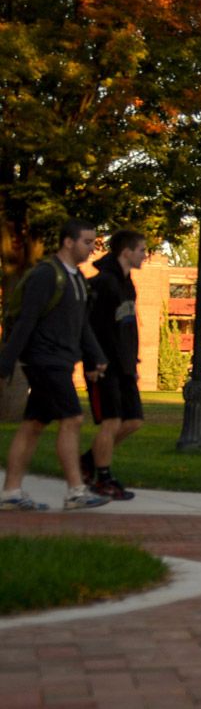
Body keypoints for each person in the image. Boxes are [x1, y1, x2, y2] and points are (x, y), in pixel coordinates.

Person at [0, 219, 111, 511]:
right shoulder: (46, 275)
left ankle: (10, 492)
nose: (91, 248)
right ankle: (76, 491)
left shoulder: (77, 279)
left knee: (33, 424)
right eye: (87, 242)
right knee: (72, 419)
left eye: (93, 242)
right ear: (68, 242)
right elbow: (26, 320)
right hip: (44, 359)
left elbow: (83, 326)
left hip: (61, 359)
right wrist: (6, 362)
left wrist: (96, 356)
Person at [79, 229, 147, 502]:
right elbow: (87, 327)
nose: (144, 254)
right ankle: (102, 478)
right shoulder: (102, 283)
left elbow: (127, 328)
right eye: (141, 249)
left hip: (125, 365)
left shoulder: (128, 284)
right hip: (103, 365)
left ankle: (87, 461)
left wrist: (133, 359)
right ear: (126, 252)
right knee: (112, 421)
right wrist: (94, 360)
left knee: (133, 421)